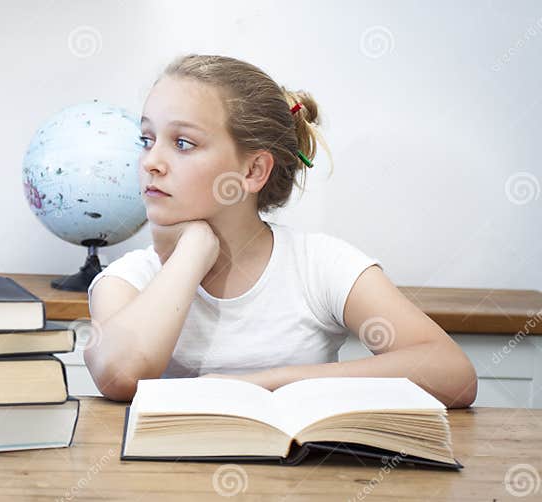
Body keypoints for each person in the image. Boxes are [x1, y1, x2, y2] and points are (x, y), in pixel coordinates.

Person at [84, 54, 477, 408]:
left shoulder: (319, 265)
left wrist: (267, 383)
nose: (151, 161)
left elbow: (452, 374)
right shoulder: (129, 278)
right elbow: (119, 374)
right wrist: (193, 250)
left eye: (183, 143)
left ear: (253, 171)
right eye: (146, 139)